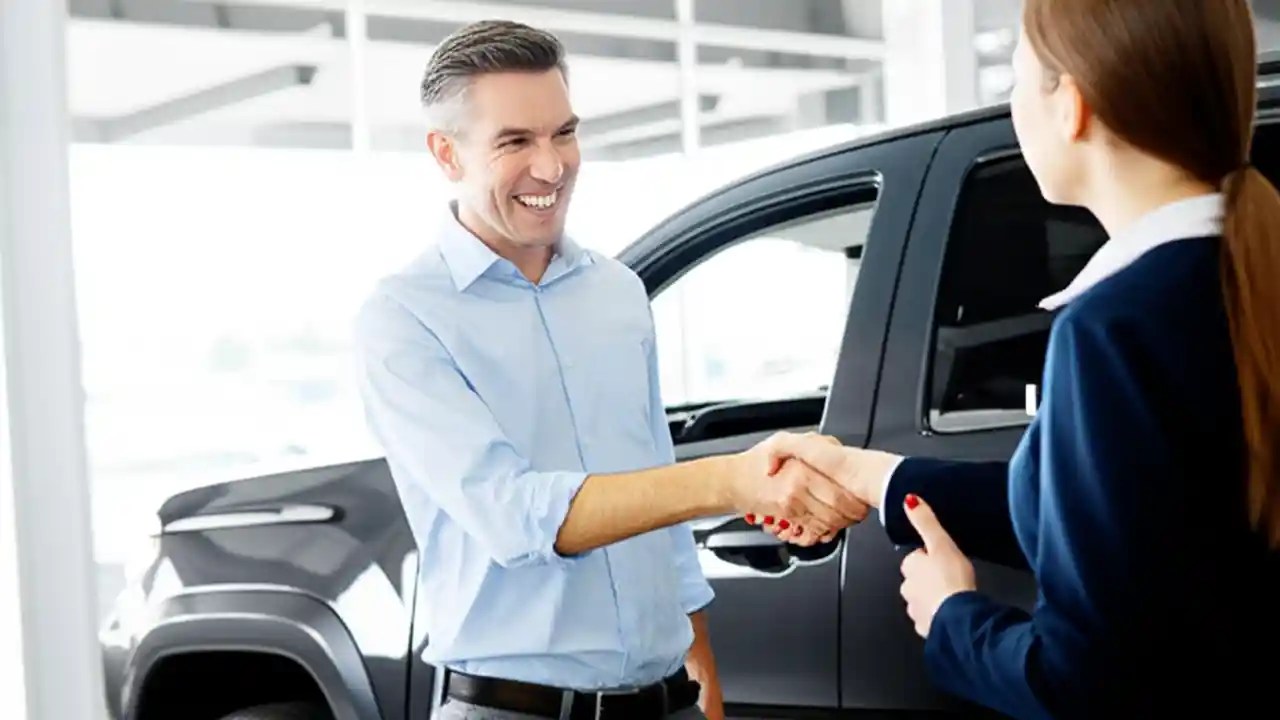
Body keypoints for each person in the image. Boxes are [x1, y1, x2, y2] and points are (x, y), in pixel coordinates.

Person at [755, 1, 1280, 718]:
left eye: (1015, 80)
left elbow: (1088, 681)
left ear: (1073, 106)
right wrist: (873, 477)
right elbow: (1112, 515)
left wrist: (953, 617)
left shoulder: (1112, 329)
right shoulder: (1244, 281)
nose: (1011, 107)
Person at [353, 19, 867, 720]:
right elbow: (516, 514)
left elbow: (653, 478)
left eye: (563, 132)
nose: (552, 165)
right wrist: (731, 478)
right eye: (515, 141)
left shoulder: (617, 292)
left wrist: (702, 674)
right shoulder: (404, 319)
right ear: (446, 153)